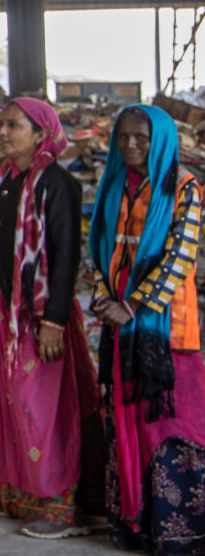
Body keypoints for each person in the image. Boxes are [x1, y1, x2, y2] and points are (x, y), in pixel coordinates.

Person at [0, 96, 100, 539]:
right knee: (9, 405)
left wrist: (54, 321)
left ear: (42, 134)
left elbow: (65, 258)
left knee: (42, 411)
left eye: (13, 126)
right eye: (1, 125)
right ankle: (23, 497)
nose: (2, 133)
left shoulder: (56, 184)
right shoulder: (3, 180)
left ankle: (60, 508)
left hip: (36, 318)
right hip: (0, 314)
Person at [89, 105, 205, 554]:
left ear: (161, 140)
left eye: (141, 138)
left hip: (166, 329)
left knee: (171, 423)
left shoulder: (184, 188)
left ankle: (177, 533)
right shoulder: (115, 184)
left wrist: (133, 305)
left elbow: (180, 258)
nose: (131, 146)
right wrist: (104, 294)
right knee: (127, 421)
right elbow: (100, 246)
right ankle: (132, 524)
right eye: (124, 138)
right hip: (121, 326)